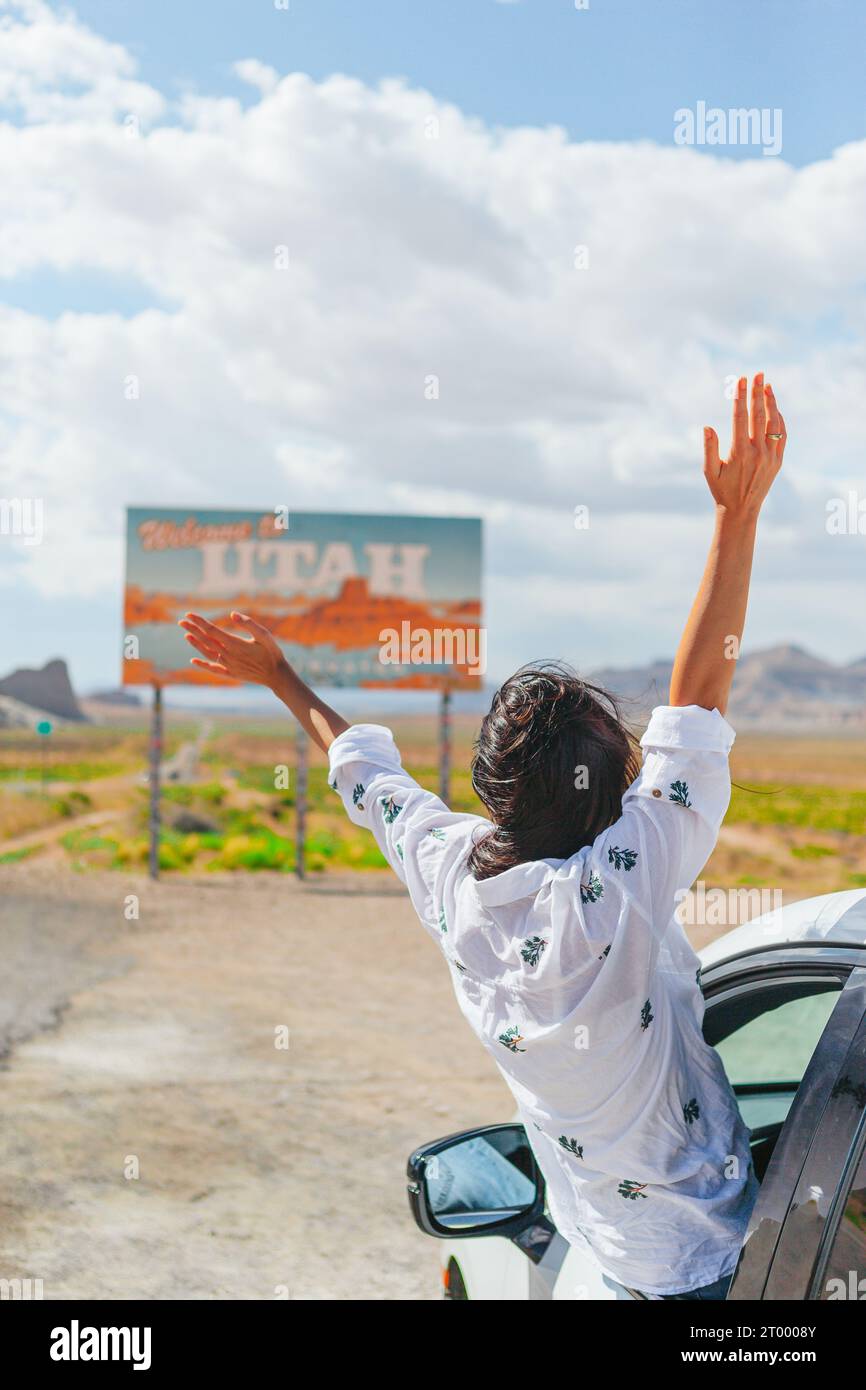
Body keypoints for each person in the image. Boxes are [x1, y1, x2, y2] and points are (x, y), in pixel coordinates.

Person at [180, 373, 786, 1299]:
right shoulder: (619, 883)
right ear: (614, 790)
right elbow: (700, 699)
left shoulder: (453, 876)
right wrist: (734, 518)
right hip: (711, 1262)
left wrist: (281, 677)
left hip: (613, 1257)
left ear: (494, 792)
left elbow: (363, 772)